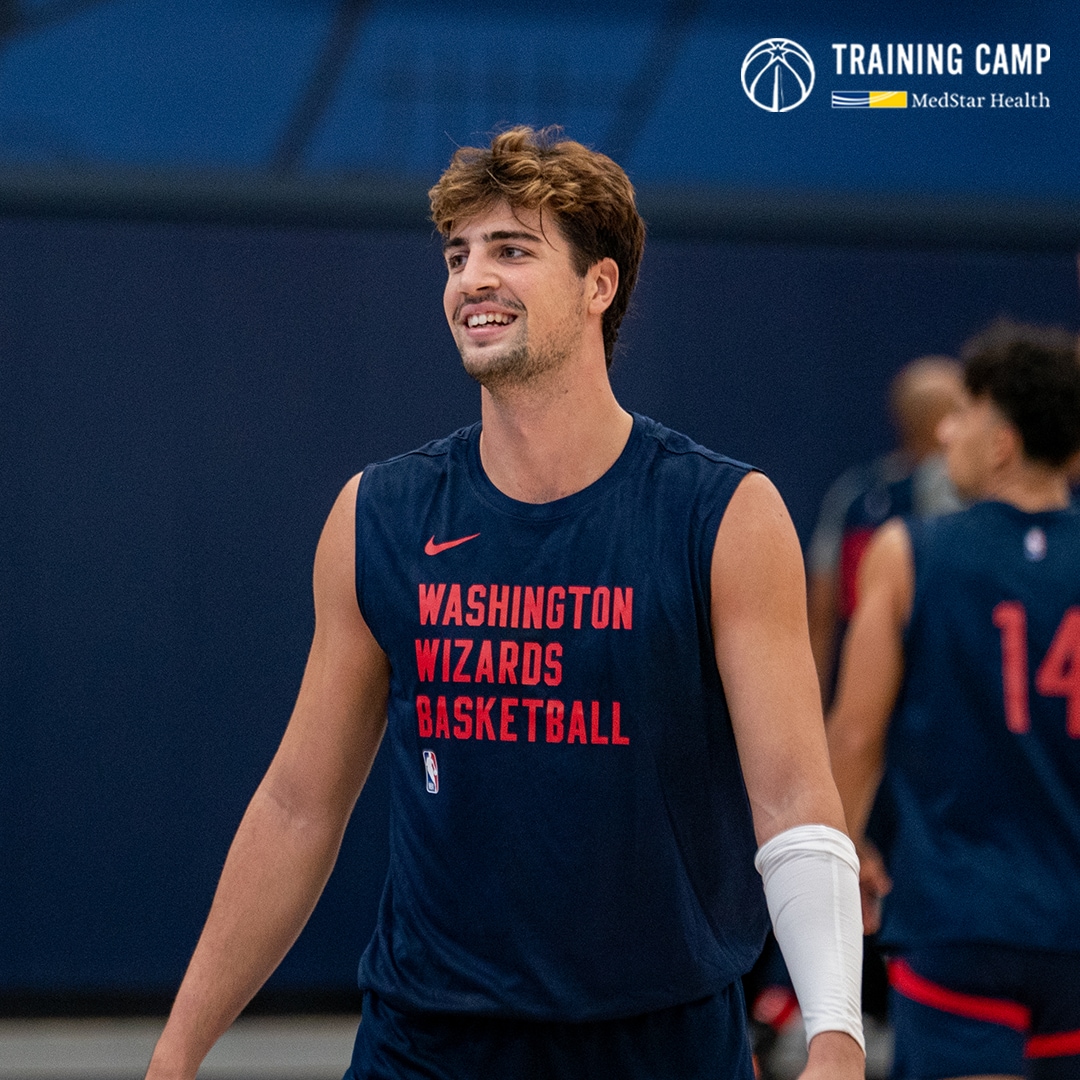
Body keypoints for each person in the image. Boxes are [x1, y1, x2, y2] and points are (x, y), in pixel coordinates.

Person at [144, 127, 864, 1080]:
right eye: (458, 255)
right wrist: (176, 1053)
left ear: (599, 285)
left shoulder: (721, 514)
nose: (472, 278)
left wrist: (837, 1034)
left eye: (512, 250)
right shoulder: (382, 515)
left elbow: (791, 800)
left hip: (660, 1042)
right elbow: (297, 805)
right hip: (429, 1042)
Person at [827, 321, 1080, 1080]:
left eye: (962, 413)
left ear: (999, 441)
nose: (945, 431)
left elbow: (853, 738)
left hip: (961, 917)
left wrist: (845, 853)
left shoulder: (908, 551)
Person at [806, 356, 963, 700]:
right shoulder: (974, 504)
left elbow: (820, 614)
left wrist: (814, 708)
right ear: (948, 421)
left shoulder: (851, 493)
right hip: (938, 699)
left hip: (860, 688)